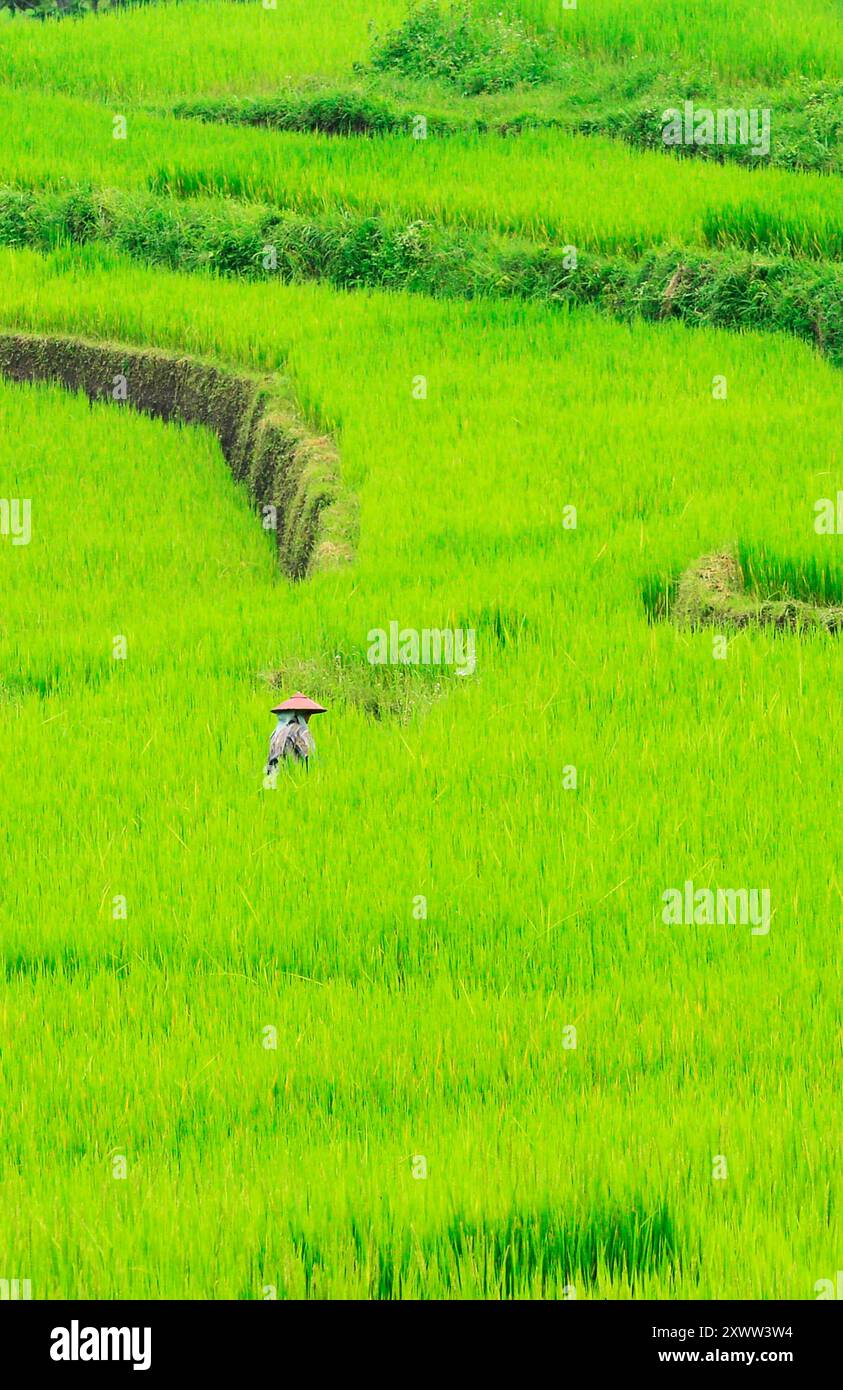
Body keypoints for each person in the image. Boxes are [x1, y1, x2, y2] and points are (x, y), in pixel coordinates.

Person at [264, 692, 326, 780]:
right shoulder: (299, 730)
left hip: (276, 777)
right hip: (295, 777)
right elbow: (309, 756)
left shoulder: (276, 733)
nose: (308, 717)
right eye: (307, 714)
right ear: (300, 714)